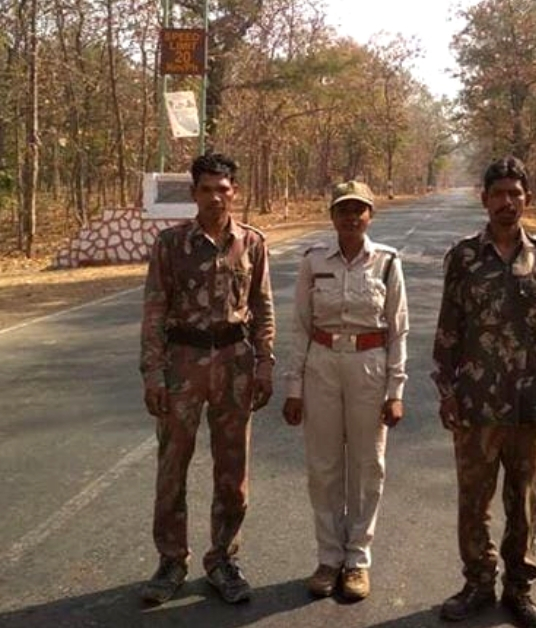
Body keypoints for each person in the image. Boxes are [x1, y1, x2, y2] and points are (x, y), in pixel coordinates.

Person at [432, 156, 536, 628]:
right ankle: (477, 582)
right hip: (475, 404)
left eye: (515, 193)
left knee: (524, 502)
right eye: (499, 194)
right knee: (474, 501)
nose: (507, 202)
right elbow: (448, 329)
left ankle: (519, 588)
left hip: (528, 406)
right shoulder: (465, 257)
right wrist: (446, 390)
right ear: (485, 199)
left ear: (527, 199)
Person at [139, 152, 275, 605]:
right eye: (206, 189)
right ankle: (171, 561)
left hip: (235, 363)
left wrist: (265, 364)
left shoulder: (252, 243)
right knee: (172, 467)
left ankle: (223, 560)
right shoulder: (171, 244)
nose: (216, 197)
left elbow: (263, 309)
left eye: (224, 188)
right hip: (183, 362)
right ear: (193, 193)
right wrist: (153, 373)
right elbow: (155, 310)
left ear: (234, 191)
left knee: (232, 472)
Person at [282, 180, 408, 601]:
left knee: (368, 465)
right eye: (343, 210)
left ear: (371, 215)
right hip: (321, 366)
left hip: (369, 368)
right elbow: (300, 325)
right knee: (323, 466)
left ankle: (357, 560)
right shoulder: (314, 262)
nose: (352, 217)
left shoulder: (387, 263)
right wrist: (294, 386)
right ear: (331, 215)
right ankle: (328, 557)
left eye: (359, 210)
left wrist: (396, 390)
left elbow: (399, 330)